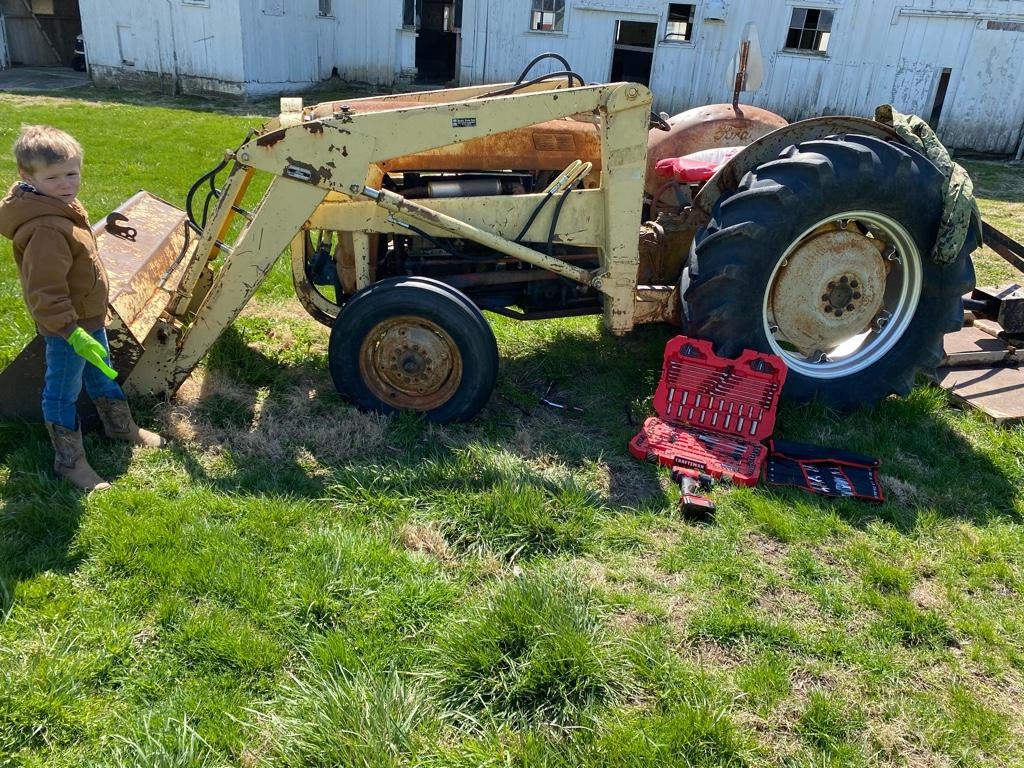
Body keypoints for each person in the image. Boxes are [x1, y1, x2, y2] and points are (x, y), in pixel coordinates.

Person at [0, 125, 165, 491]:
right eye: (53, 177)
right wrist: (71, 332)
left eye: (72, 173)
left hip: (90, 319)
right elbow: (44, 292)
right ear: (27, 178)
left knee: (101, 374)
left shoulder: (60, 206)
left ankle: (120, 426)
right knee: (62, 390)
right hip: (66, 330)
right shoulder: (44, 227)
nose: (66, 183)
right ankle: (69, 461)